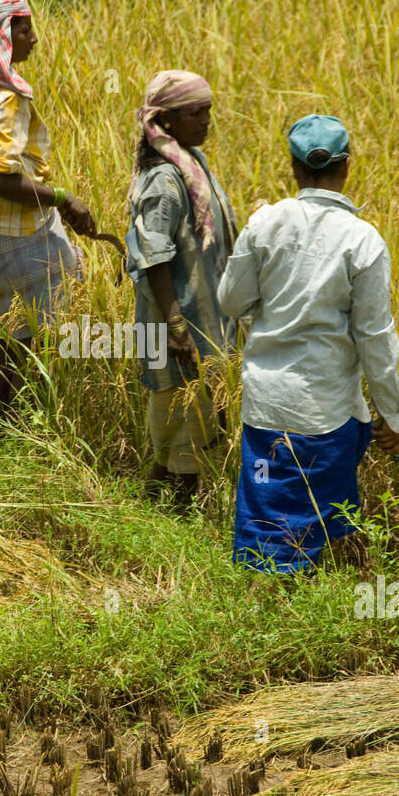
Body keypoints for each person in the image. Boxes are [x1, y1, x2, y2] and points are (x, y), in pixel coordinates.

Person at [217, 113, 399, 573]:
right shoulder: (363, 240)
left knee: (268, 528)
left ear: (294, 168)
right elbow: (374, 338)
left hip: (266, 408)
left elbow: (230, 300)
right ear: (347, 166)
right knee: (328, 527)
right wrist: (393, 415)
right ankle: (323, 619)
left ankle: (266, 618)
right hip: (326, 412)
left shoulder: (266, 223)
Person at [0, 0, 97, 424]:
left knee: (15, 332)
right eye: (25, 29)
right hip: (10, 229)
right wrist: (64, 199)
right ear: (1, 38)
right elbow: (2, 179)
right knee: (26, 335)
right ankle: (5, 424)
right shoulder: (6, 98)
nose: (35, 38)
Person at [125, 70, 238, 510]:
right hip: (176, 331)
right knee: (181, 446)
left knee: (184, 442)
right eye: (196, 113)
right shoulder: (165, 181)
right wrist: (176, 328)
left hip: (197, 325)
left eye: (209, 110)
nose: (207, 120)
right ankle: (164, 532)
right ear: (166, 121)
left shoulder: (188, 164)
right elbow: (152, 256)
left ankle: (152, 521)